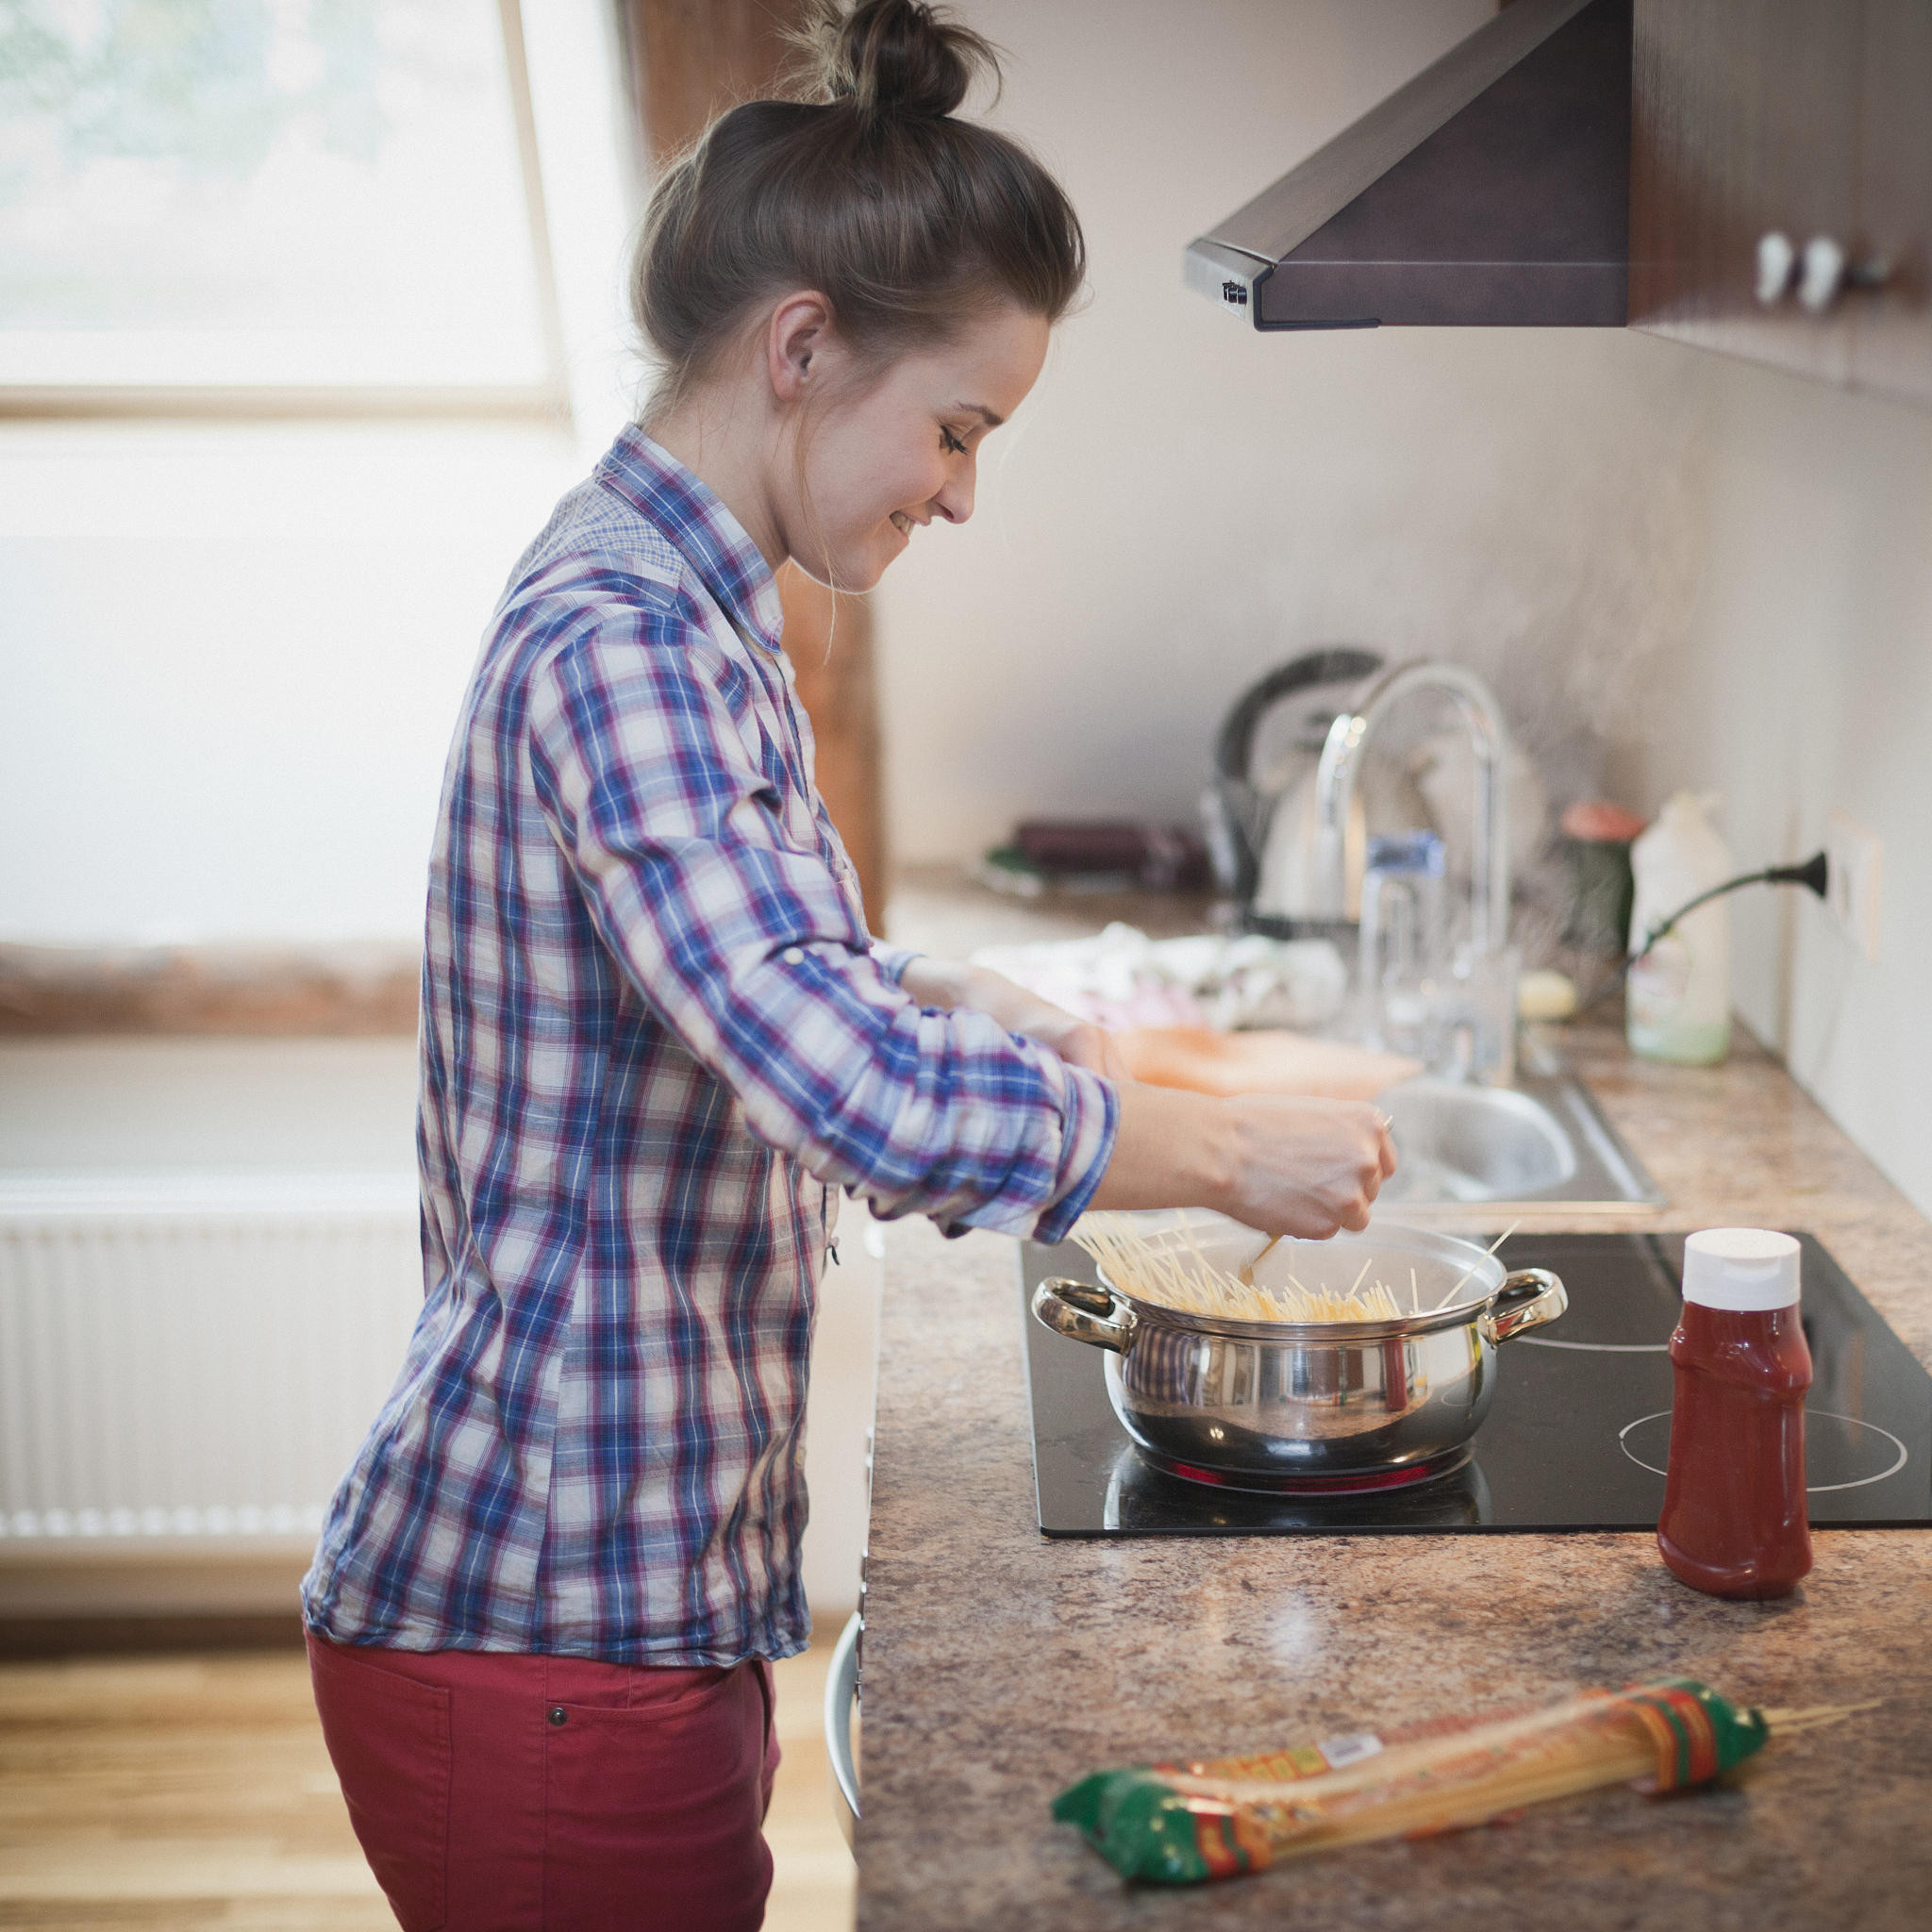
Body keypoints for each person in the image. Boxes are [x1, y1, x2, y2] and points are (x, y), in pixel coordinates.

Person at [300, 3, 1395, 1925]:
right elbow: (838, 1089)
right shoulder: (622, 642)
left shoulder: (680, 609)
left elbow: (771, 978)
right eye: (959, 425)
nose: (966, 488)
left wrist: (994, 1005)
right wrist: (1221, 1156)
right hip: (549, 1622)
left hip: (617, 1597)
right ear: (800, 346)